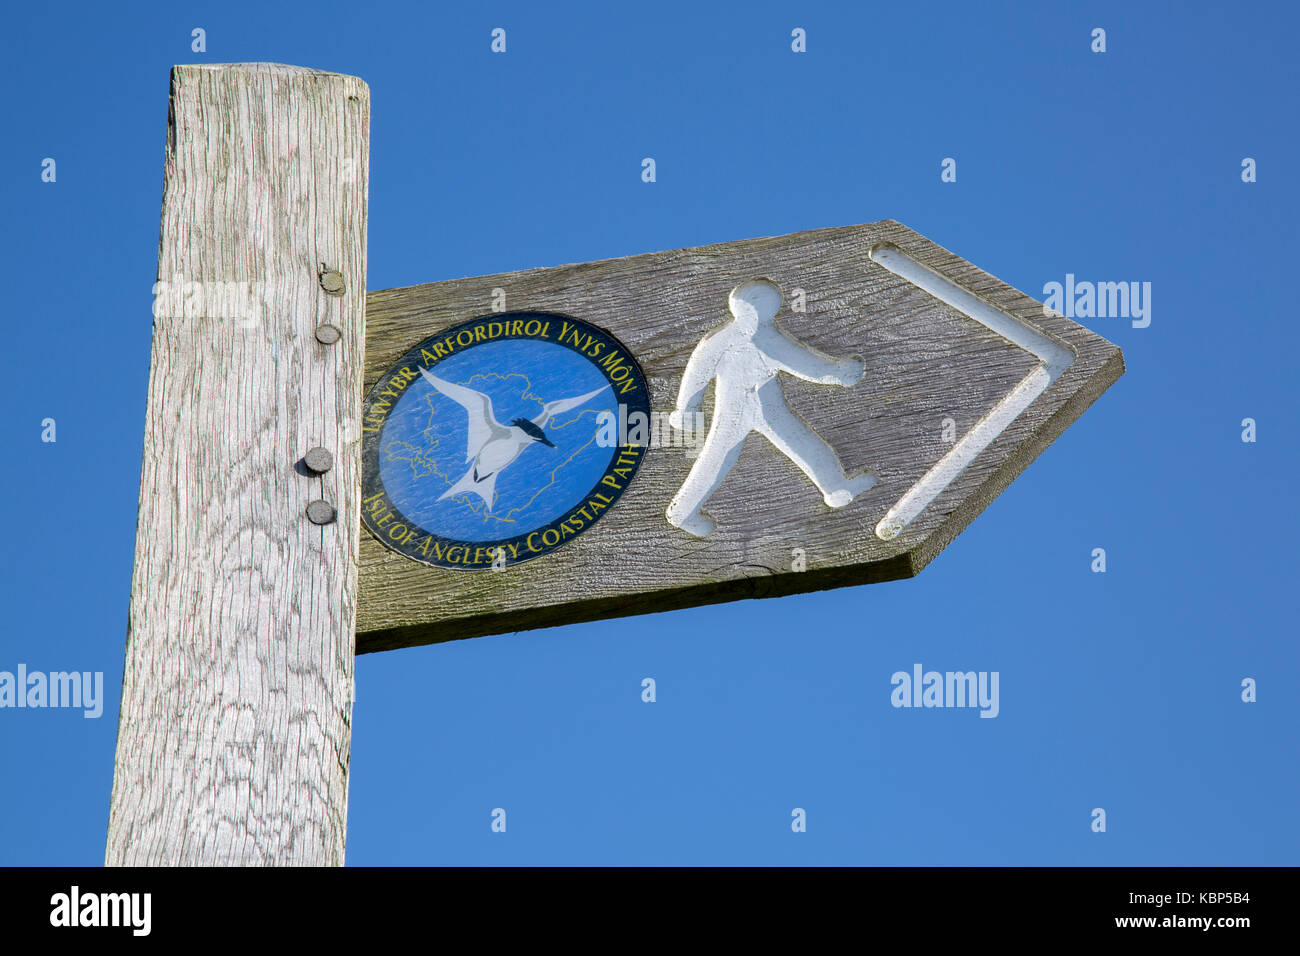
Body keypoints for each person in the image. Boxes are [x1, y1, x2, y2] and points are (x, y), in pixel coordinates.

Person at [666, 278, 877, 537]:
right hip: (737, 412)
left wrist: (686, 408)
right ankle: (682, 513)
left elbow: (697, 370)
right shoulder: (763, 337)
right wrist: (839, 373)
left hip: (765, 408)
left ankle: (835, 488)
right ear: (770, 308)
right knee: (717, 458)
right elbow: (808, 366)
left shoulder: (723, 338)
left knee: (802, 444)